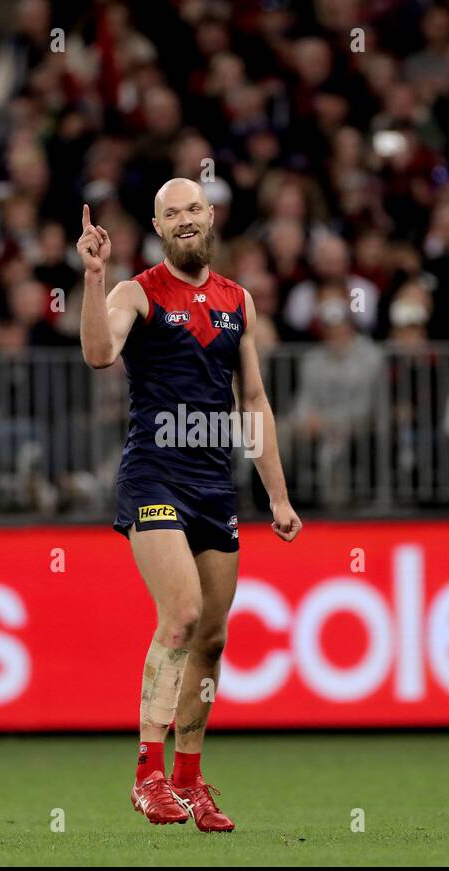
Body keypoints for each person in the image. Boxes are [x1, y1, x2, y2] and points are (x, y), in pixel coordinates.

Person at [78, 178, 301, 831]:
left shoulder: (239, 301)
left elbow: (253, 401)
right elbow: (97, 354)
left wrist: (278, 496)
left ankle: (190, 780)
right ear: (157, 225)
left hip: (214, 483)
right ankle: (148, 776)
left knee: (212, 638)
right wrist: (92, 278)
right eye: (170, 212)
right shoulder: (135, 293)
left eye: (192, 209)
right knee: (181, 614)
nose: (183, 220)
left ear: (210, 218)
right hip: (153, 475)